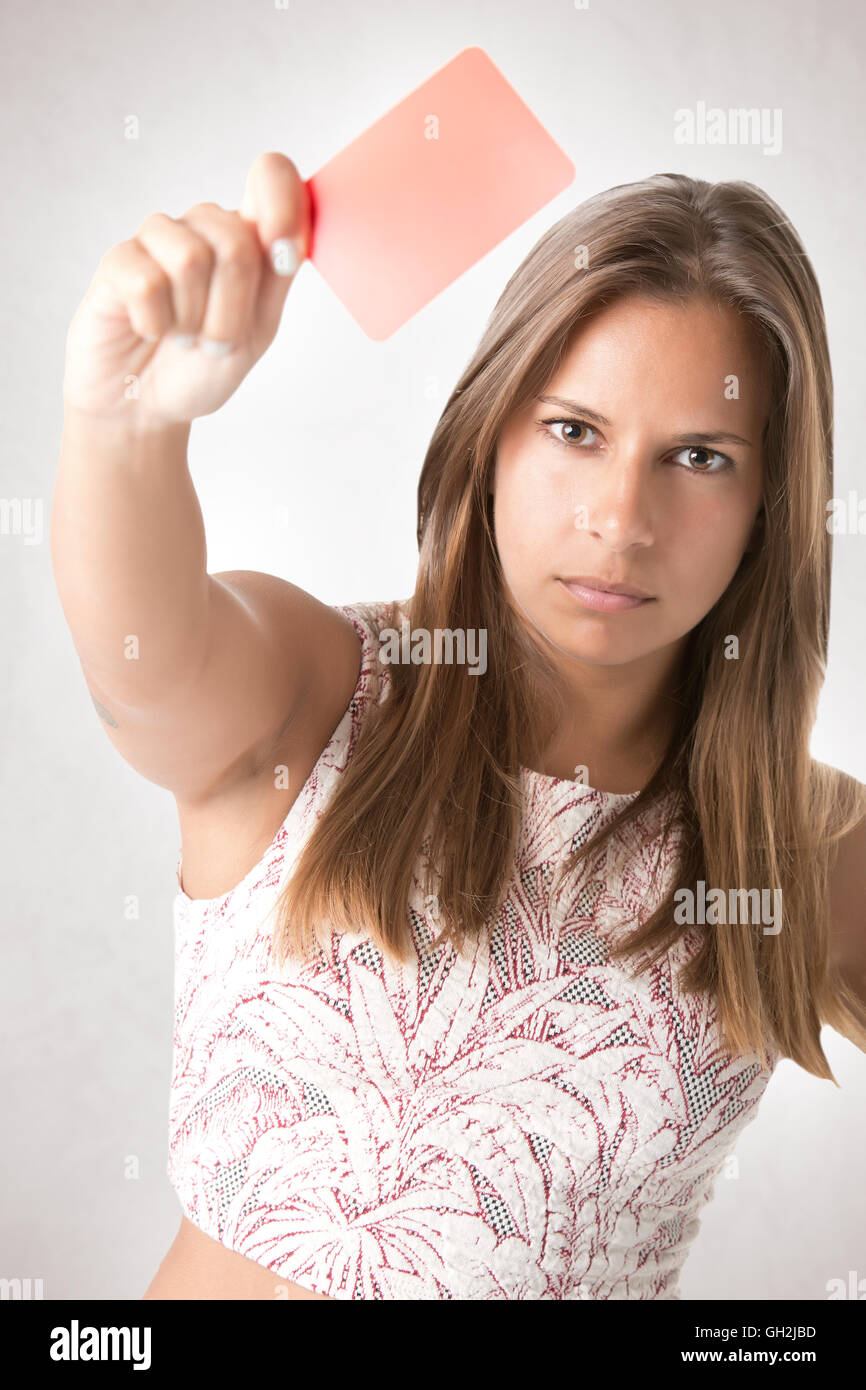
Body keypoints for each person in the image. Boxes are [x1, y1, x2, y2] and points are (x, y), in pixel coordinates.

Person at [51, 153, 866, 1301]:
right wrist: (123, 427)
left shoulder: (807, 848)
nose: (619, 520)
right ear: (489, 440)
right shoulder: (319, 689)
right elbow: (140, 667)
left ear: (766, 505)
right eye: (574, 430)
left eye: (697, 457)